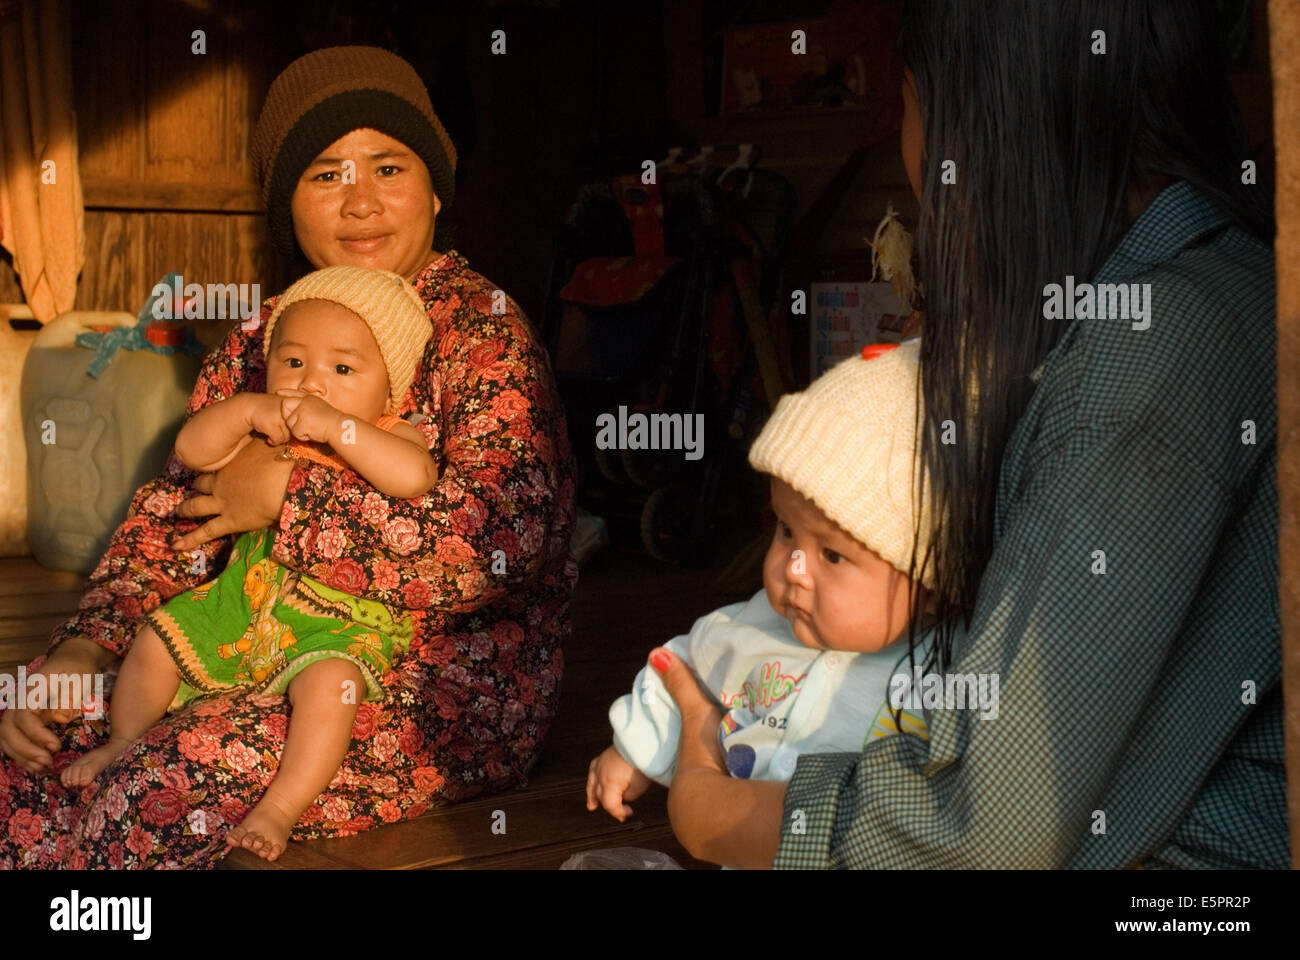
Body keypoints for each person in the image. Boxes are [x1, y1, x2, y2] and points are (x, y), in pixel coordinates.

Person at [653, 0, 1287, 869]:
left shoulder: (1145, 352)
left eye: (907, 99)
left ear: (980, 121)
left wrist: (713, 806)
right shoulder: (1224, 287)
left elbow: (985, 831)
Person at [0, 46, 577, 869]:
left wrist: (287, 496)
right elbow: (173, 517)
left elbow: (495, 548)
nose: (362, 202)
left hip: (426, 689)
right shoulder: (265, 332)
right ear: (286, 207)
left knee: (157, 784)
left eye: (388, 166)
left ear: (436, 186)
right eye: (324, 175)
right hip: (237, 639)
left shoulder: (483, 331)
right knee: (29, 742)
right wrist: (86, 647)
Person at [57, 266, 437, 862]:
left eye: (342, 370)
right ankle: (124, 741)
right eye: (293, 363)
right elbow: (191, 450)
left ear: (392, 389)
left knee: (331, 687)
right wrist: (246, 413)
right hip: (242, 598)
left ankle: (281, 805)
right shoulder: (262, 429)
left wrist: (340, 429)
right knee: (159, 635)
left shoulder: (391, 431)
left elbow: (415, 478)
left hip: (337, 622)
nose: (313, 383)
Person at [587, 341, 953, 821]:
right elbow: (683, 666)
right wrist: (636, 751)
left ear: (928, 581)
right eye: (785, 530)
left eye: (832, 555)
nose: (794, 569)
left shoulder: (945, 674)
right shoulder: (752, 628)